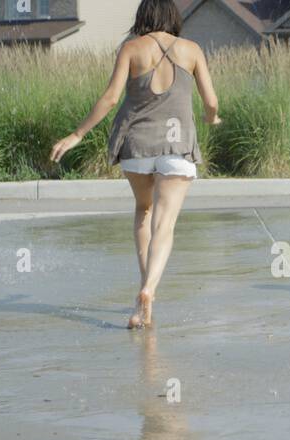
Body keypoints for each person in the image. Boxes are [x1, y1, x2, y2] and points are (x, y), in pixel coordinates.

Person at [50, 0, 221, 329]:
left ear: (142, 16)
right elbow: (211, 101)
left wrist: (77, 134)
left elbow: (111, 97)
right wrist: (211, 118)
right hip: (177, 147)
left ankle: (144, 302)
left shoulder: (131, 49)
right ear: (173, 16)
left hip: (137, 146)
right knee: (165, 225)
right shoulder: (192, 50)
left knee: (144, 211)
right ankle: (148, 289)